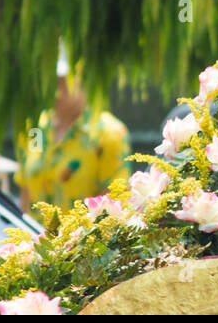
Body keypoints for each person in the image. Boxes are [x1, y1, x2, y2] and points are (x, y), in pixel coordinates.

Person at [15, 48, 131, 213]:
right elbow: (25, 194)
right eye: (51, 79)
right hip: (34, 237)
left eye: (62, 81)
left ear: (83, 80)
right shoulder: (34, 129)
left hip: (82, 238)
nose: (56, 88)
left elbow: (115, 205)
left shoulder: (109, 134)